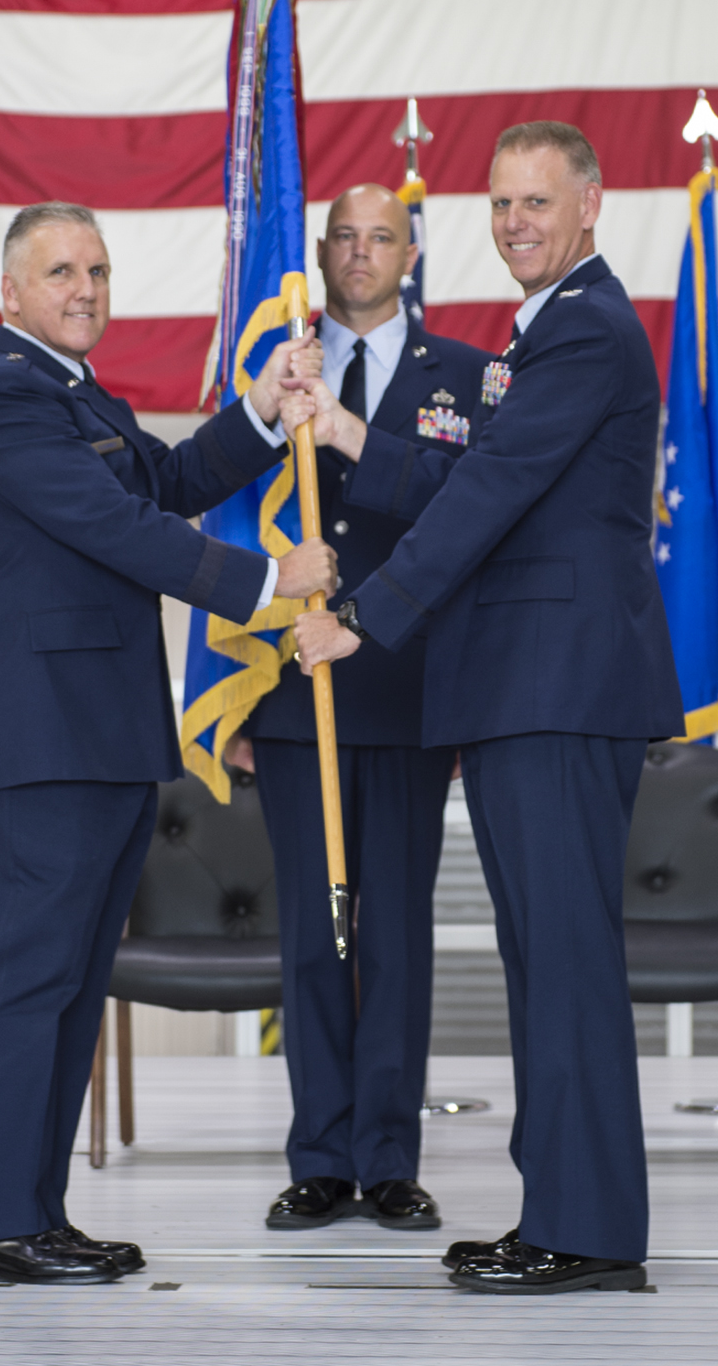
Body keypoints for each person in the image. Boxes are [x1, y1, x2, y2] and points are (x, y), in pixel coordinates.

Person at [293, 123, 685, 1295]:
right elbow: (476, 478)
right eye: (502, 203)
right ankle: (562, 1212)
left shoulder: (585, 329)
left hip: (557, 689)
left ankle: (590, 1231)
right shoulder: (550, 329)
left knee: (563, 963)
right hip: (528, 690)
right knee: (542, 963)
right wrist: (356, 435)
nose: (516, 221)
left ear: (592, 204)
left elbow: (493, 495)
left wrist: (360, 614)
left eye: (538, 201)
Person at [0, 201, 336, 1285]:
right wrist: (267, 582)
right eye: (60, 271)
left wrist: (259, 411)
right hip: (43, 737)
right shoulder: (7, 402)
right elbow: (120, 530)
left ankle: (32, 1210)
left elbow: (160, 484)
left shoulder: (72, 394)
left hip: (103, 734)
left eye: (99, 270)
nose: (84, 289)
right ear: (10, 292)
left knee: (71, 982)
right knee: (32, 976)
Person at [232, 185, 490, 1233]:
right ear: (323, 251)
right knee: (311, 938)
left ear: (412, 251)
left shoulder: (466, 378)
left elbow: (470, 512)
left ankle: (388, 1158)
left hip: (408, 687)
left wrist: (345, 437)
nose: (361, 251)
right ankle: (319, 1158)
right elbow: (224, 507)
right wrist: (238, 689)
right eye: (344, 235)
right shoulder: (278, 368)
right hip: (296, 692)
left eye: (381, 235)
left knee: (394, 931)